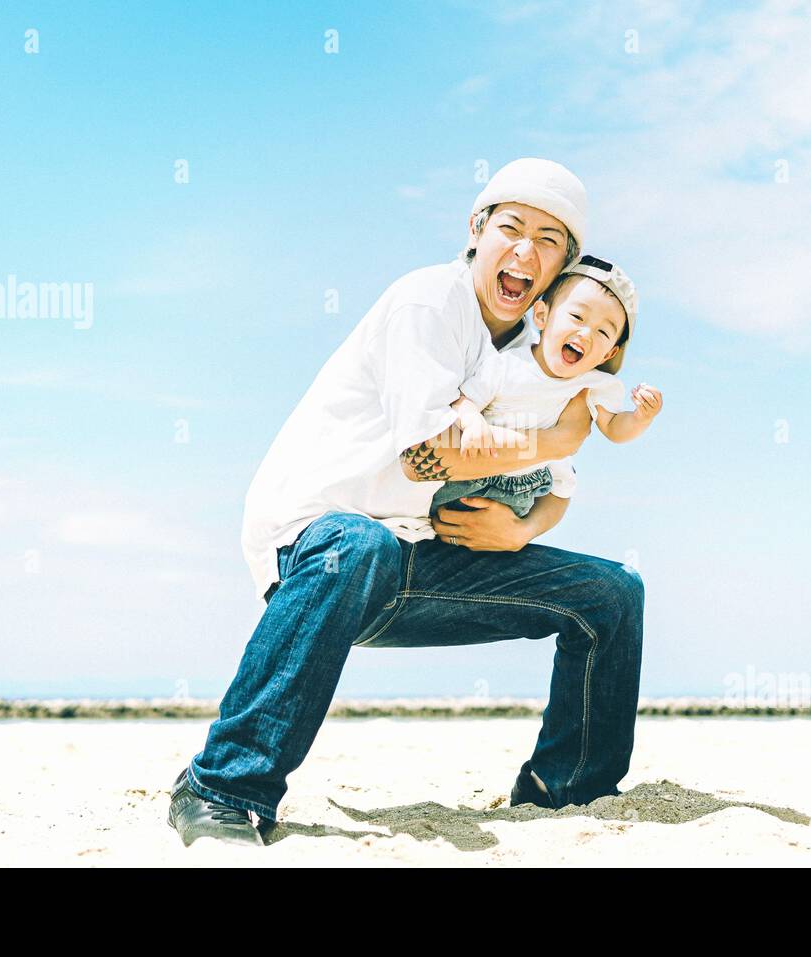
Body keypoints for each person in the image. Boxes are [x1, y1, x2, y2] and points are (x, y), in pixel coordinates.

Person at [167, 158, 646, 847]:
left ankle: (564, 787)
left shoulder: (526, 354)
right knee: (360, 544)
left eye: (549, 241)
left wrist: (517, 533)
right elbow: (437, 450)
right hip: (319, 545)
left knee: (613, 592)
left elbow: (536, 467)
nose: (525, 251)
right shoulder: (431, 302)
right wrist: (552, 438)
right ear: (476, 229)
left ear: (559, 272)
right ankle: (223, 783)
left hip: (423, 556)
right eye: (511, 228)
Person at [430, 254, 664, 520]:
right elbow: (464, 400)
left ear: (608, 354)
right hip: (473, 471)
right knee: (446, 519)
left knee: (499, 535)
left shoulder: (593, 385)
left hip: (526, 486)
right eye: (577, 316)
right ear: (542, 315)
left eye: (602, 332)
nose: (586, 334)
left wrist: (641, 417)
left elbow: (614, 429)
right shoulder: (508, 365)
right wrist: (473, 423)